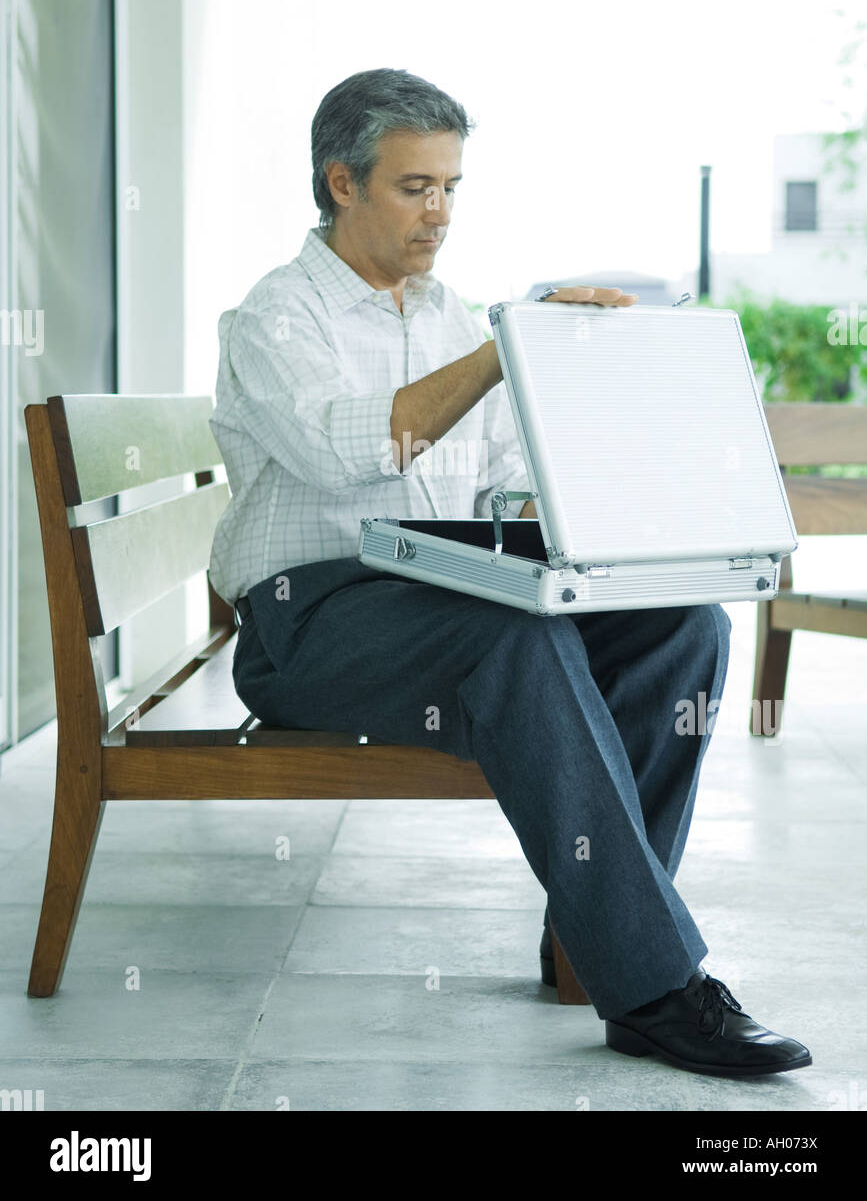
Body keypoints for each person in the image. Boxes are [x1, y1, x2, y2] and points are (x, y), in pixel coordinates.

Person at [208, 67, 811, 1080]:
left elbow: (503, 489)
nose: (439, 211)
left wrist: (591, 413)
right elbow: (348, 449)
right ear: (341, 182)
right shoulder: (275, 318)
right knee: (515, 636)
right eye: (415, 187)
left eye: (451, 186)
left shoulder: (451, 318)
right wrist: (504, 350)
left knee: (686, 625)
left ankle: (598, 941)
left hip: (438, 595)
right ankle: (659, 987)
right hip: (304, 620)